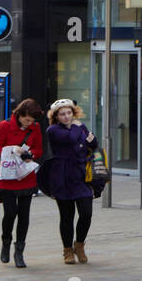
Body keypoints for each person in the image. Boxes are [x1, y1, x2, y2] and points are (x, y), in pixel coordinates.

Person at [0, 99, 45, 268]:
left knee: (24, 216)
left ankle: (19, 251)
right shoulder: (5, 127)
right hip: (7, 177)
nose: (30, 123)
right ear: (19, 115)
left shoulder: (35, 128)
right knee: (10, 213)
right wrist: (12, 149)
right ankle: (6, 242)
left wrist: (30, 153)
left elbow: (39, 150)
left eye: (33, 120)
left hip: (26, 176)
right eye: (27, 119)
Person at [46, 99, 97, 264]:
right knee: (66, 216)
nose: (67, 117)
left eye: (69, 113)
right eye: (62, 114)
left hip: (81, 174)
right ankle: (67, 249)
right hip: (62, 176)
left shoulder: (78, 127)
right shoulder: (53, 130)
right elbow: (71, 138)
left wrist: (88, 137)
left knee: (86, 213)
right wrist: (79, 128)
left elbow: (93, 143)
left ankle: (80, 244)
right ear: (56, 116)